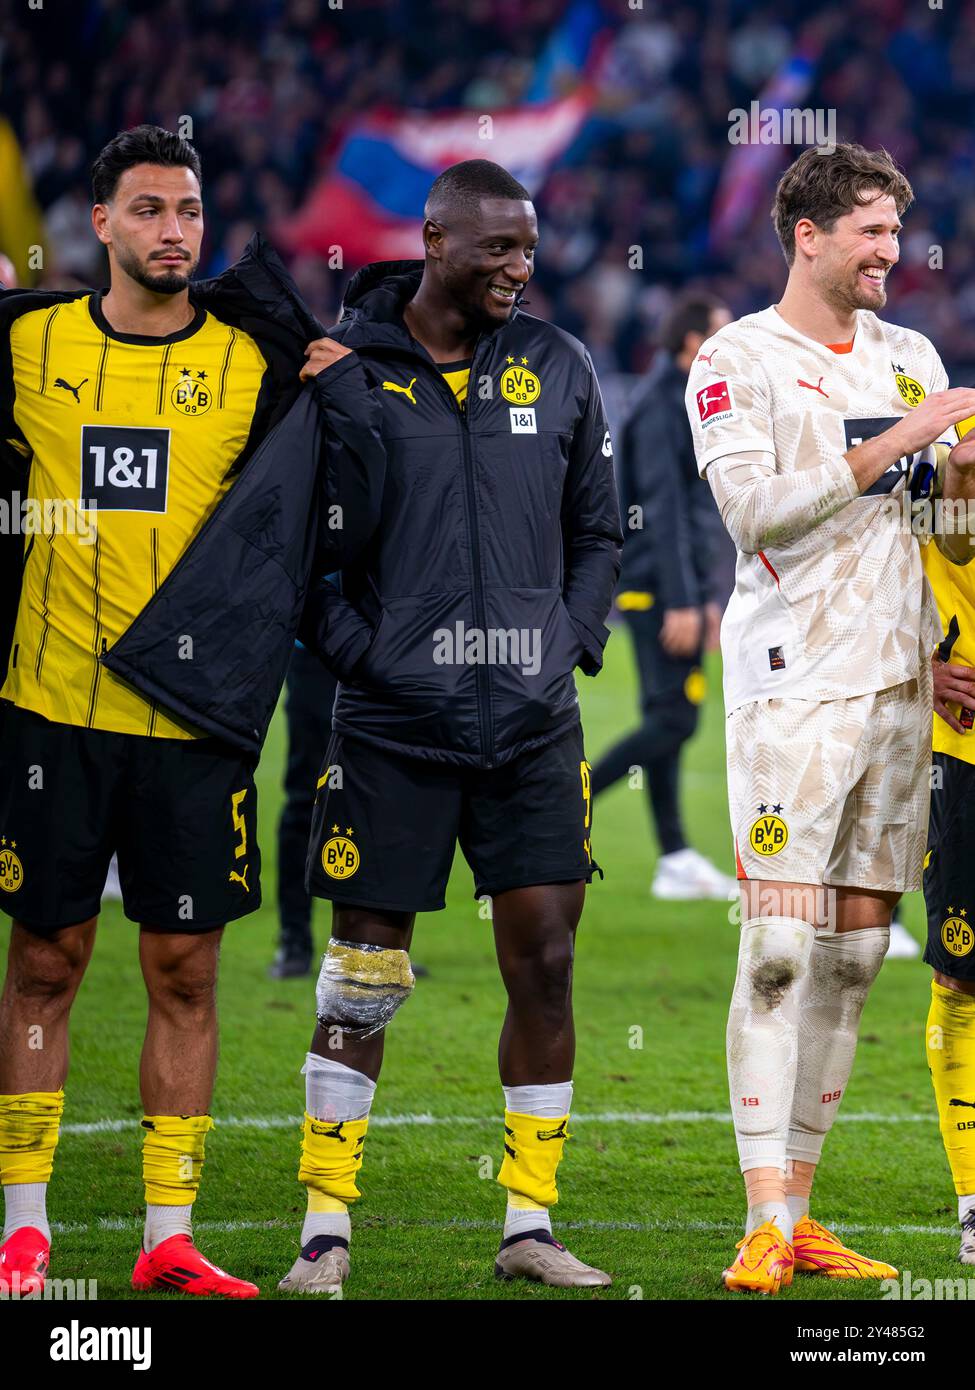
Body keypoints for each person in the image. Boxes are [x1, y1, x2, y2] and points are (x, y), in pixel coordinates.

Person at [0, 125, 385, 1299]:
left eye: (190, 212)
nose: (177, 232)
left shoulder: (257, 360)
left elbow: (353, 489)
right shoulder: (29, 344)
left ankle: (168, 1234)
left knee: (184, 972)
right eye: (151, 210)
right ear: (101, 225)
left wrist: (344, 392)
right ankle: (25, 1228)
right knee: (44, 963)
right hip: (49, 709)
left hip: (195, 719)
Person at [278, 159, 623, 1294]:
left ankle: (530, 1224)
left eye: (528, 250)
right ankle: (325, 1228)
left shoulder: (559, 367)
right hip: (390, 726)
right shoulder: (345, 372)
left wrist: (568, 640)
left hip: (531, 725)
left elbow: (599, 531)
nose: (520, 270)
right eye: (497, 251)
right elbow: (303, 555)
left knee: (549, 964)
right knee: (361, 981)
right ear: (433, 242)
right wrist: (367, 657)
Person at [685, 142, 975, 1294]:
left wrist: (955, 550)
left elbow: (939, 535)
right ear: (805, 234)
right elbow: (752, 507)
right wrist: (901, 444)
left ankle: (800, 1213)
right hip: (791, 684)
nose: (892, 254)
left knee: (855, 958)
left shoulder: (912, 357)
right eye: (871, 232)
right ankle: (758, 1214)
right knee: (777, 952)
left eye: (898, 234)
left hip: (905, 692)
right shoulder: (736, 357)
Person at [592, 291, 736, 900]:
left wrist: (703, 593)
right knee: (675, 719)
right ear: (690, 343)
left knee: (666, 718)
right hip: (656, 590)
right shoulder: (660, 406)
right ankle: (566, 799)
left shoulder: (679, 401)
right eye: (720, 333)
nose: (729, 346)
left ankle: (675, 857)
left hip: (670, 587)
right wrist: (684, 599)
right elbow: (660, 510)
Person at [919, 420, 975, 1263]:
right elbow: (953, 518)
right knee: (961, 980)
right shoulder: (957, 449)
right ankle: (973, 1200)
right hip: (967, 760)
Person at [268, 641, 337, 980]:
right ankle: (294, 938)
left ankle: (384, 945)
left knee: (387, 800)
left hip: (385, 646)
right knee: (307, 797)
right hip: (316, 651)